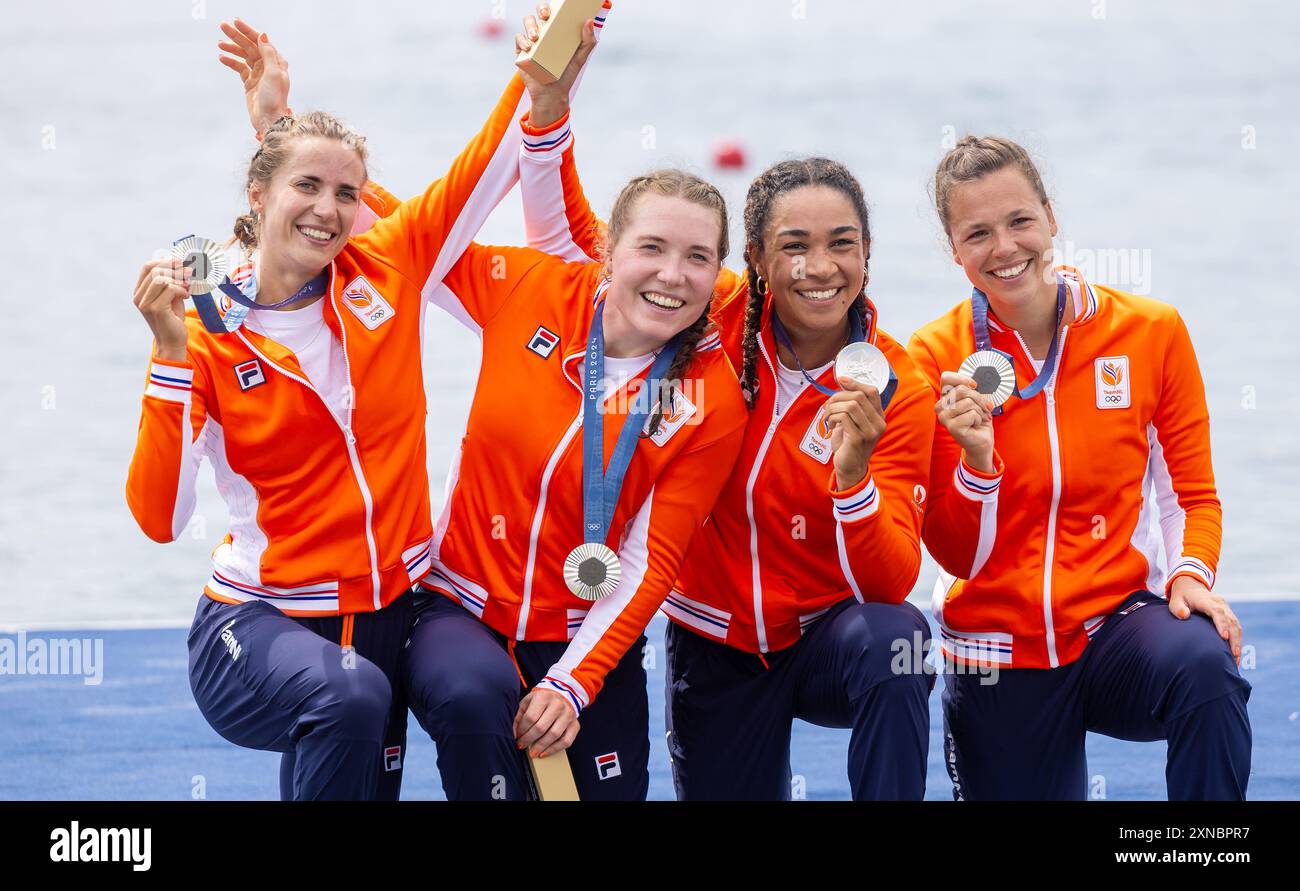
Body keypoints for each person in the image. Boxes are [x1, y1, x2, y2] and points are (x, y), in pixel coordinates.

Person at [125, 20, 585, 800]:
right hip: (263, 619)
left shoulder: (390, 266)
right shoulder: (201, 328)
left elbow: (483, 167)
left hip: (394, 609)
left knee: (461, 694)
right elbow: (161, 518)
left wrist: (566, 43)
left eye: (347, 193)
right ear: (257, 193)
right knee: (350, 696)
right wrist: (168, 356)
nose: (329, 210)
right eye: (306, 187)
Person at [511, 6, 936, 801]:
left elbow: (890, 583)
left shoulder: (897, 385)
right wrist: (549, 111)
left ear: (869, 254)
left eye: (842, 243)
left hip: (828, 637)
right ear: (757, 260)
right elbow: (576, 249)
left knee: (899, 641)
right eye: (795, 246)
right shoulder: (714, 311)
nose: (821, 267)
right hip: (713, 639)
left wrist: (853, 479)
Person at [906, 135, 1251, 800]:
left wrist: (1189, 574)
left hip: (1119, 625)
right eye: (978, 233)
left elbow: (1192, 494)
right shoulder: (933, 357)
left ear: (1051, 216)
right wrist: (979, 465)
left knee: (1206, 667)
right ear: (954, 249)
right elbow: (953, 551)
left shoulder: (1150, 332)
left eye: (1019, 221)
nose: (1004, 248)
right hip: (995, 650)